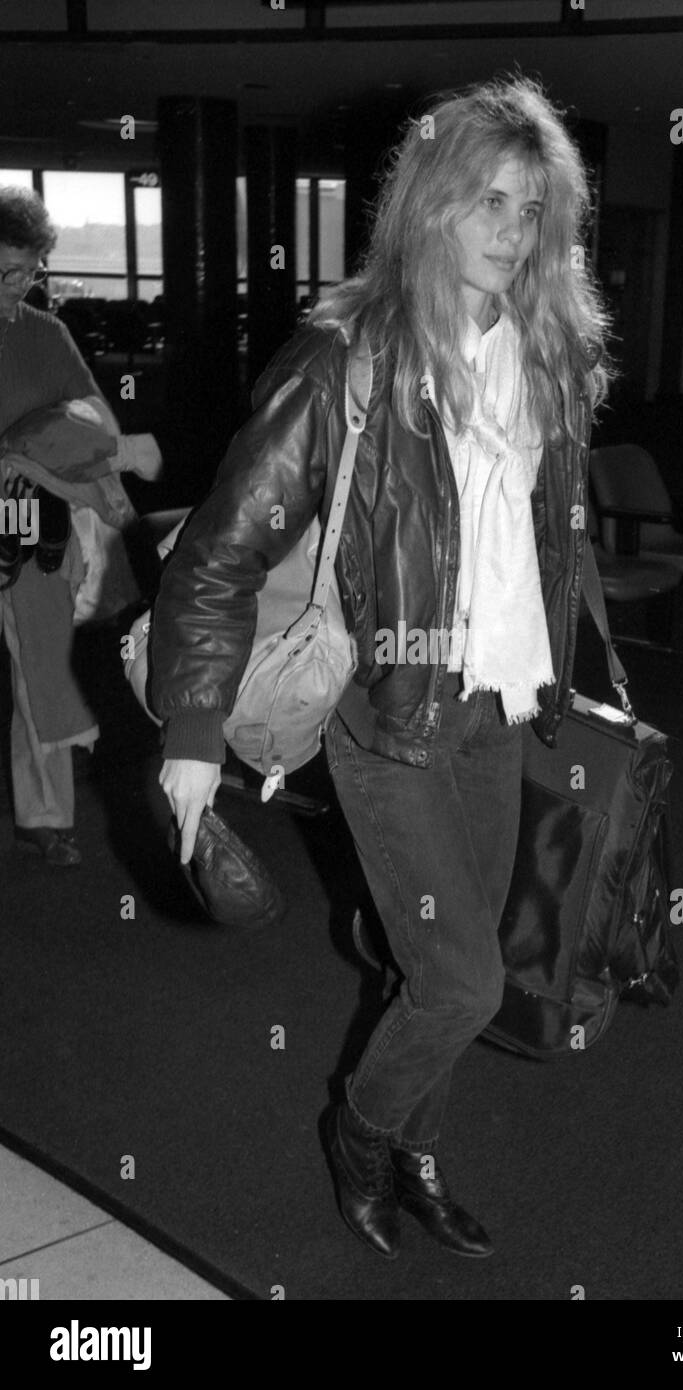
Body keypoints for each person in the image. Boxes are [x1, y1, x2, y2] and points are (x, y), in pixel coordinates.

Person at [151, 75, 611, 1259]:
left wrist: (563, 657)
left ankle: (418, 1153)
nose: (509, 229)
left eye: (528, 206)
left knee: (457, 964)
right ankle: (359, 1136)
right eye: (485, 202)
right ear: (427, 207)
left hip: (498, 708)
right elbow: (214, 556)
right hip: (390, 717)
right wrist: (194, 737)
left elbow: (537, 533)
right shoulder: (343, 362)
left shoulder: (546, 352)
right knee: (458, 980)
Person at [0, 186, 158, 868]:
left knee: (40, 663)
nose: (13, 284)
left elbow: (97, 415)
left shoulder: (47, 332)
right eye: (4, 269)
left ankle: (45, 814)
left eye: (24, 271)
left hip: (33, 527)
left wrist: (107, 468)